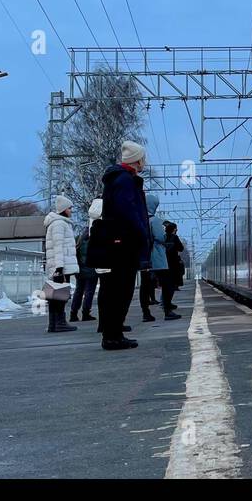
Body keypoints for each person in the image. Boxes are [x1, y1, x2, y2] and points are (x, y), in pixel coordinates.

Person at [88, 140, 151, 351]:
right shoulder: (124, 180)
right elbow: (129, 212)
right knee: (120, 290)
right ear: (137, 160)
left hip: (119, 242)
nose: (144, 162)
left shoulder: (118, 179)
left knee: (114, 290)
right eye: (143, 158)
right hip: (124, 243)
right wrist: (142, 232)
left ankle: (113, 334)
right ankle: (113, 336)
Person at [43, 194, 79, 333]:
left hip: (58, 265)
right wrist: (59, 267)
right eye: (70, 208)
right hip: (61, 265)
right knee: (60, 296)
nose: (71, 211)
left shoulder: (57, 223)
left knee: (55, 295)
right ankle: (60, 323)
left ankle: (54, 324)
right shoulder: (59, 223)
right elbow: (58, 246)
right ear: (63, 209)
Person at [140, 192, 168, 323]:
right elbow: (161, 238)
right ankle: (167, 311)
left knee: (145, 287)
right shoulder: (155, 221)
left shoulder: (139, 219)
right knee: (166, 283)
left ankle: (146, 313)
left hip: (144, 258)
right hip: (157, 257)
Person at [69, 200, 99, 322]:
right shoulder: (94, 241)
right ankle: (86, 313)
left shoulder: (79, 241)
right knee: (89, 292)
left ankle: (73, 313)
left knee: (78, 291)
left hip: (80, 270)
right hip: (91, 270)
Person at [160, 220, 185, 319]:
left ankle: (167, 306)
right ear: (174, 230)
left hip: (163, 264)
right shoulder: (174, 237)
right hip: (173, 265)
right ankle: (167, 310)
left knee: (166, 287)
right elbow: (181, 248)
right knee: (170, 287)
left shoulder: (163, 237)